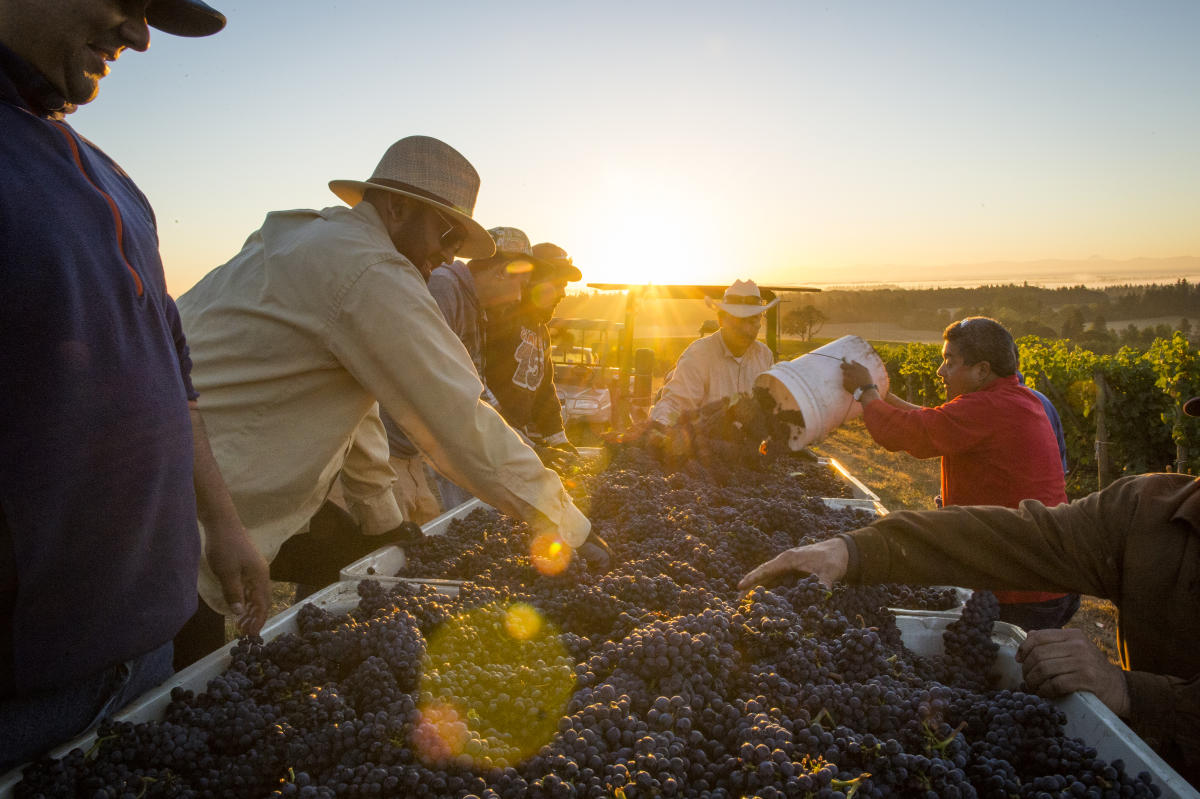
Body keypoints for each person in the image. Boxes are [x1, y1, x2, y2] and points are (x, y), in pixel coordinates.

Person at [174, 136, 609, 662]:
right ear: (397, 208)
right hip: (180, 498)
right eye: (447, 233)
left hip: (171, 466)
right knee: (171, 678)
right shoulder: (371, 271)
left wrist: (380, 520)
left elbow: (355, 406)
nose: (450, 256)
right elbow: (456, 416)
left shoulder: (317, 241)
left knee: (331, 551)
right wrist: (566, 523)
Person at [0, 0, 270, 771]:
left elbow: (172, 373)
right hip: (24, 706)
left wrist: (222, 523)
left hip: (149, 662)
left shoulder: (113, 177)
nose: (139, 35)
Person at [738, 395, 1200, 784]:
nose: (942, 372)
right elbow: (1009, 537)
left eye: (951, 362)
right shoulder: (1148, 513)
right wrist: (851, 551)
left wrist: (1129, 691)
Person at [840, 317, 1077, 632]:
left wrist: (865, 390)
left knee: (1009, 675)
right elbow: (931, 421)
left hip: (1023, 589)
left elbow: (904, 433)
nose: (940, 371)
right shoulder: (1016, 399)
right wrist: (882, 396)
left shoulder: (989, 407)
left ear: (981, 370)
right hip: (1043, 576)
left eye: (949, 362)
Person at [483, 241, 584, 468]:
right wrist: (516, 437)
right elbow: (476, 380)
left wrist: (559, 440)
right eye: (558, 285)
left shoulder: (541, 331)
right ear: (533, 281)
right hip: (485, 443)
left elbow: (544, 391)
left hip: (514, 444)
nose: (563, 294)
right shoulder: (500, 319)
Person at [648, 280, 777, 427]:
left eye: (753, 320)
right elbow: (674, 404)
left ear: (760, 320)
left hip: (750, 445)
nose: (746, 329)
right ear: (721, 320)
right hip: (706, 445)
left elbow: (771, 405)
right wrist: (661, 429)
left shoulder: (764, 356)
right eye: (739, 320)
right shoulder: (698, 356)